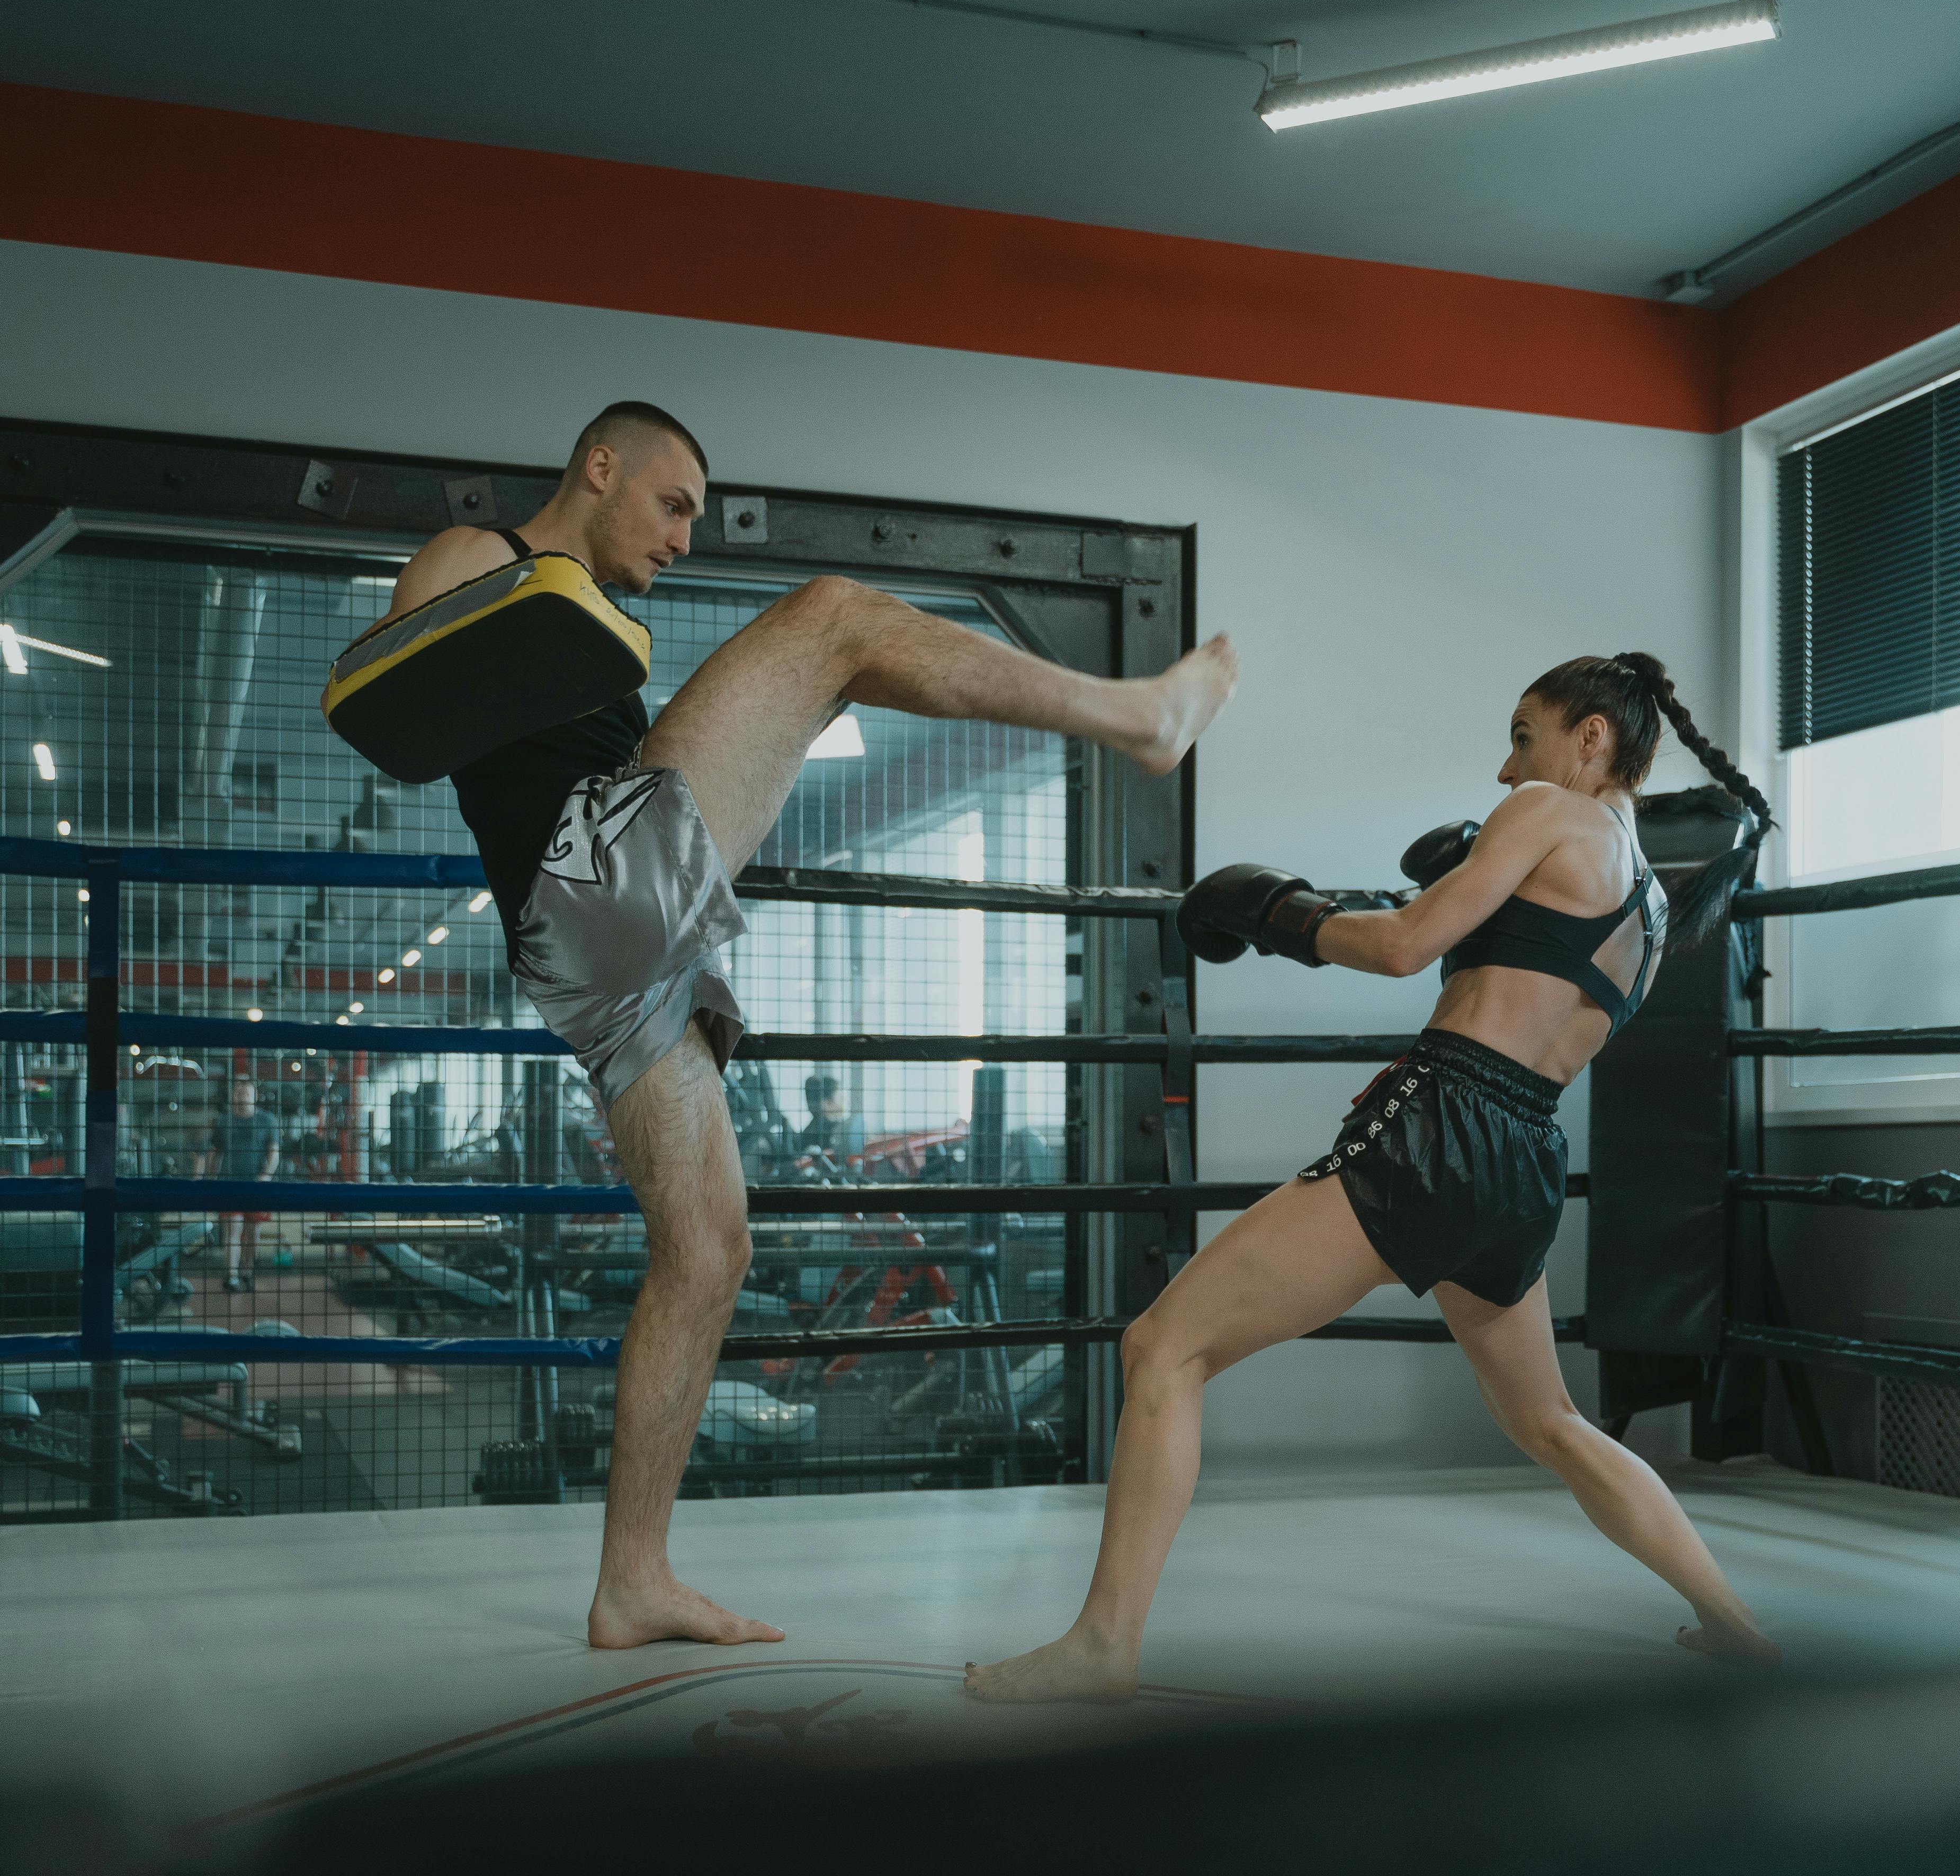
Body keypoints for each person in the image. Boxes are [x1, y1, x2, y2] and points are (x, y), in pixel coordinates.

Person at [388, 399, 1238, 1649]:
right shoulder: (486, 557)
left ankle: (633, 1578)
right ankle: (1138, 718)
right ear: (600, 466)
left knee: (710, 1250)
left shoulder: (586, 618)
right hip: (590, 882)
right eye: (673, 502)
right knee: (833, 615)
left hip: (619, 949)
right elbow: (393, 702)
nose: (684, 534)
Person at [966, 650, 1779, 1703]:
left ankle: (1103, 1646)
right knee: (1550, 1422)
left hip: (1437, 1131)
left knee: (1163, 1346)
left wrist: (1280, 914)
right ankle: (1735, 1623)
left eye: (1523, 737)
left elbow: (1403, 947)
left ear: (1592, 738)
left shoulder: (1546, 811)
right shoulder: (1655, 907)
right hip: (1526, 1155)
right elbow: (1513, 982)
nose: (1505, 768)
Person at [197, 1073, 279, 1294]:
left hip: (256, 1186)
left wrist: (266, 1176)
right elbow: (215, 1152)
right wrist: (211, 1179)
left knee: (253, 1232)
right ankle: (232, 1276)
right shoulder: (224, 1120)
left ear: (255, 1095)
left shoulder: (267, 1120)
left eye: (247, 1092)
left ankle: (247, 1271)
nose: (243, 1095)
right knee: (233, 1230)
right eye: (239, 1091)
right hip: (229, 1184)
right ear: (233, 1095)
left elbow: (274, 1151)